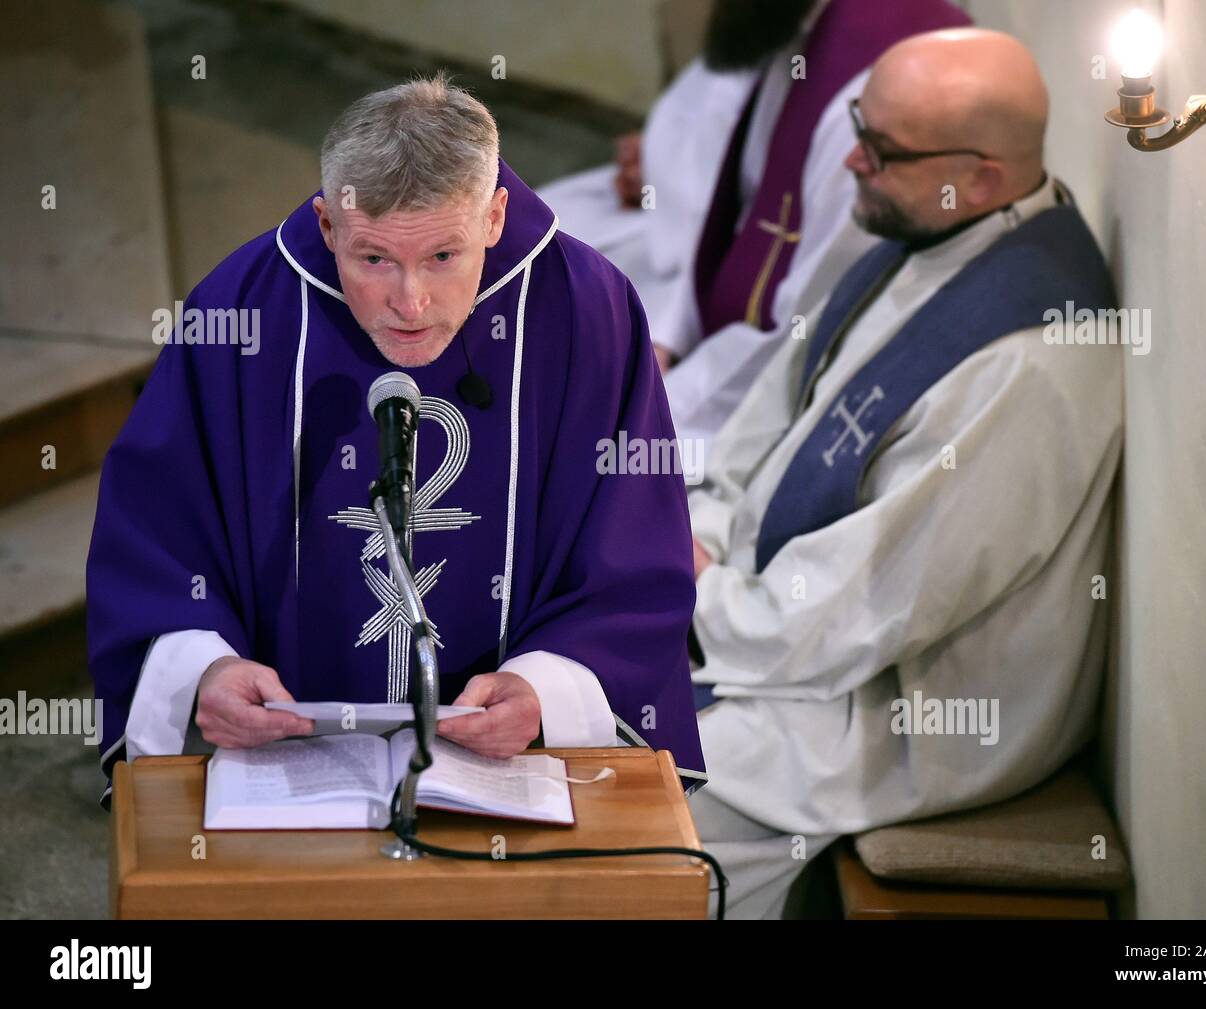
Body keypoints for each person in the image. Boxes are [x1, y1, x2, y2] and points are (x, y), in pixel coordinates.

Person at [87, 75, 705, 807]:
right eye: (373, 258)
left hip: (508, 774)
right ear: (326, 226)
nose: (409, 303)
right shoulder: (240, 311)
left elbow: (635, 551)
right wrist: (204, 668)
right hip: (282, 773)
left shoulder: (584, 310)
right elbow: (157, 528)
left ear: (495, 215)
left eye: (444, 256)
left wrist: (547, 689)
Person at [685, 29, 1124, 918]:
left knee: (662, 805)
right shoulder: (924, 223)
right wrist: (697, 528)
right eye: (862, 125)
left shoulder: (1026, 364)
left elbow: (877, 602)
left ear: (987, 176)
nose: (851, 158)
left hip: (909, 706)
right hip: (789, 611)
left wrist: (697, 598)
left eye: (880, 149)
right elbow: (781, 407)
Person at [541, 0, 971, 464]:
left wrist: (649, 406)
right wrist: (670, 336)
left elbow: (799, 330)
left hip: (771, 382)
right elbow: (730, 195)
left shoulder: (870, 96)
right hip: (725, 316)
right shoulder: (789, 25)